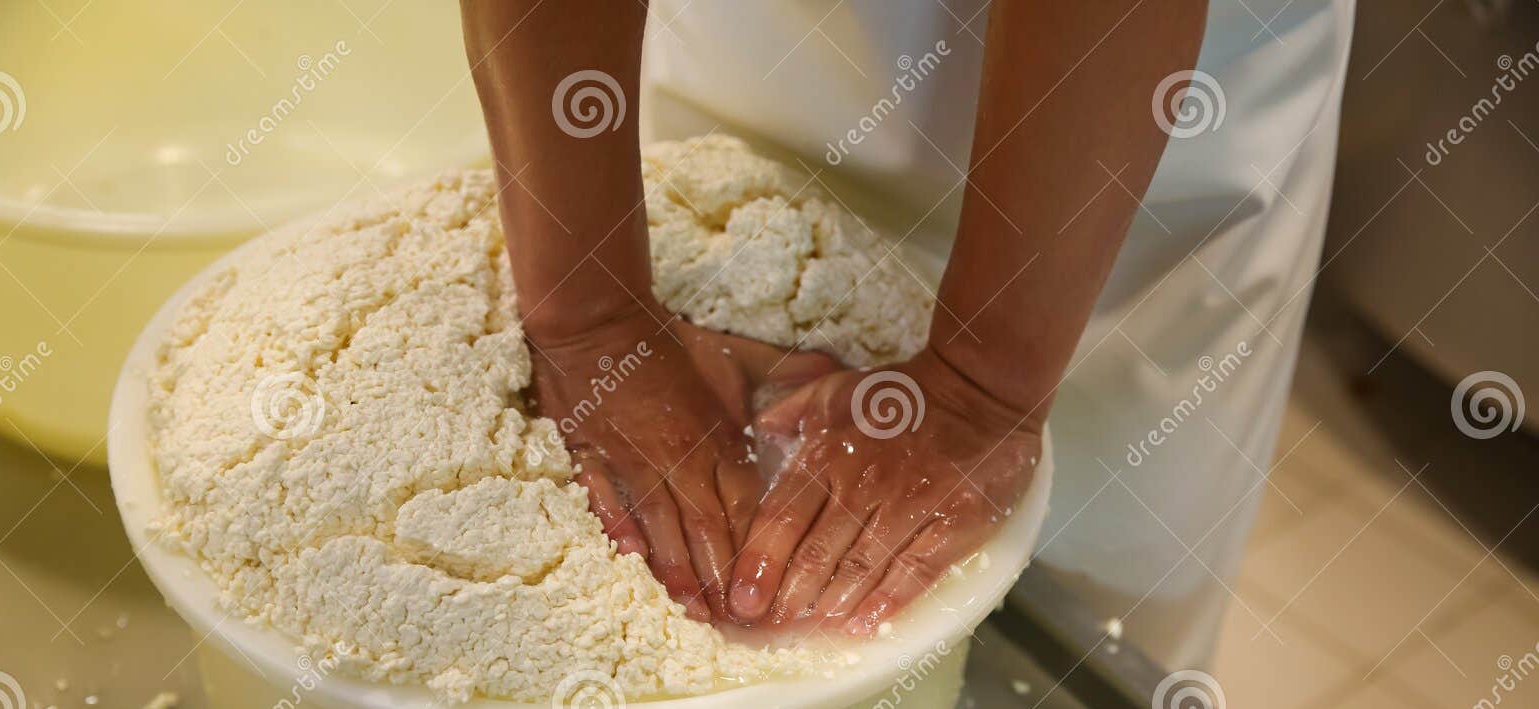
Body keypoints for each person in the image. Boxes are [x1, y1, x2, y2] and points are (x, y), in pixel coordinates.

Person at [459, 0, 1354, 668]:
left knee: (1085, 640)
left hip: (1136, 116)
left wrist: (986, 384)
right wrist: (592, 310)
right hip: (781, 46)